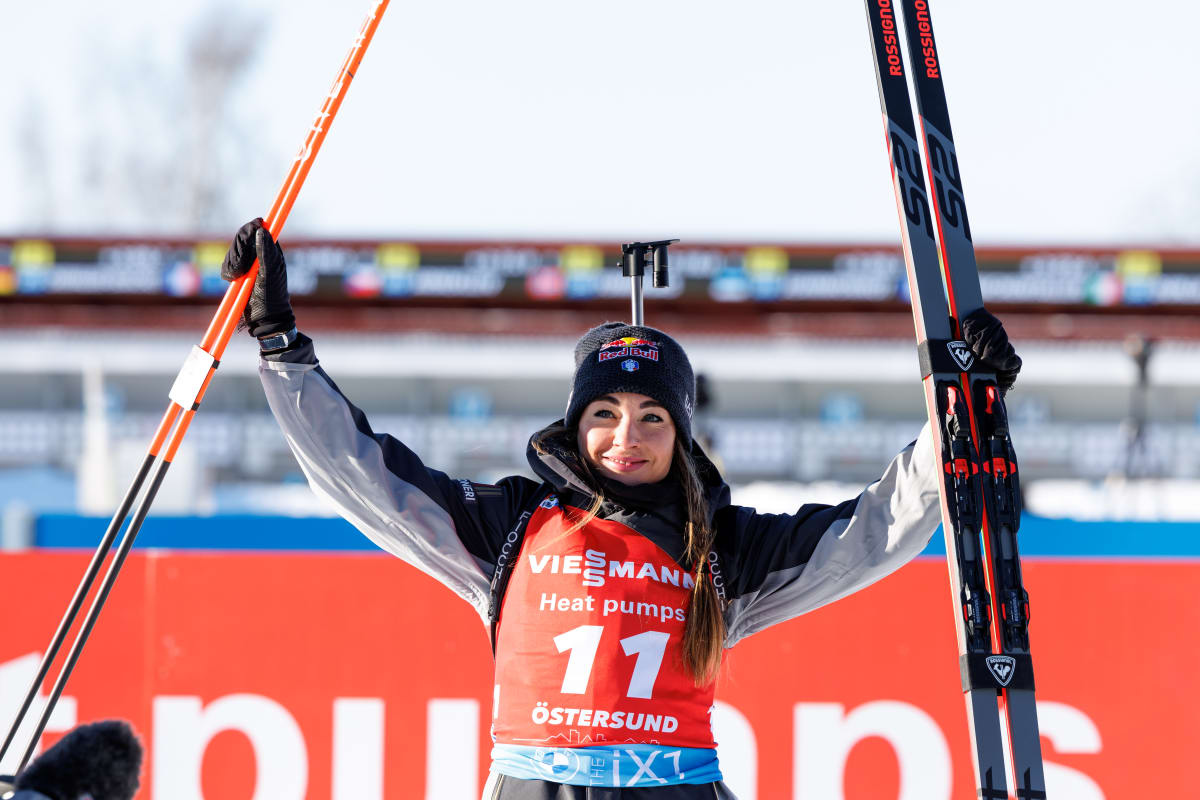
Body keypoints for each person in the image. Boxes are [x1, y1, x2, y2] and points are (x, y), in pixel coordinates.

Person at [222, 220, 1022, 799]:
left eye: (652, 417)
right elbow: (363, 475)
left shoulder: (724, 551)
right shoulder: (513, 528)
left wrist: (959, 419)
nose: (625, 438)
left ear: (680, 432)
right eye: (604, 415)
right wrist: (279, 342)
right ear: (576, 426)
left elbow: (871, 531)